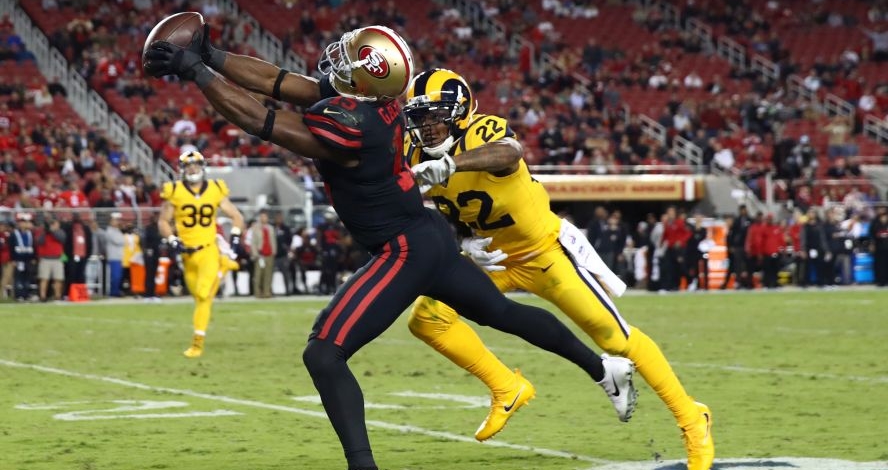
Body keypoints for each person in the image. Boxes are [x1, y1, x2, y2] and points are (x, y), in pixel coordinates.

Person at [144, 23, 636, 470]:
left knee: (324, 355)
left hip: (403, 249)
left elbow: (263, 120)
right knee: (501, 312)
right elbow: (278, 82)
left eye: (352, 58)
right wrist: (214, 54)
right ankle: (604, 369)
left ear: (368, 79)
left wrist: (196, 71)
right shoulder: (372, 104)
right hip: (427, 235)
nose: (339, 60)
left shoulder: (357, 126)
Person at [403, 68, 713, 469]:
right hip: (493, 259)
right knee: (427, 319)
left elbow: (508, 153)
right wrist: (462, 240)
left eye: (434, 115)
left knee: (616, 338)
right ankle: (506, 386)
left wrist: (451, 165)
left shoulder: (482, 133)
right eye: (419, 117)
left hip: (545, 253)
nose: (426, 126)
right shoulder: (415, 156)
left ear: (460, 112)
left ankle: (693, 417)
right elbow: (452, 210)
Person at [157, 150, 246, 357]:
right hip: (187, 255)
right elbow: (163, 221)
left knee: (205, 294)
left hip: (208, 250)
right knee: (198, 297)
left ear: (202, 167)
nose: (192, 169)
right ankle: (225, 267)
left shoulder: (215, 188)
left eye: (195, 165)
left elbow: (236, 216)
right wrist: (172, 240)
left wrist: (234, 238)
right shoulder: (174, 190)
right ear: (182, 170)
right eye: (188, 166)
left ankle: (197, 344)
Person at [249, 209, 276, 298]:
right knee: (258, 274)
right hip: (260, 254)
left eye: (265, 217)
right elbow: (253, 242)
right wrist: (255, 253)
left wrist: (274, 251)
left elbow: (273, 241)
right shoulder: (256, 228)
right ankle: (257, 292)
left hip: (269, 253)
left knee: (268, 274)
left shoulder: (271, 228)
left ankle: (267, 291)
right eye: (262, 217)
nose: (264, 218)